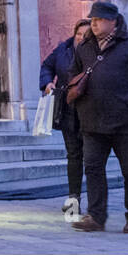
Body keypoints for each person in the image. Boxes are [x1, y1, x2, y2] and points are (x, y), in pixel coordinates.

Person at [69, 1, 128, 234]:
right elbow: (73, 75)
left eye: (99, 19)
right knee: (93, 169)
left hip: (126, 121)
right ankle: (96, 216)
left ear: (113, 21)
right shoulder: (85, 46)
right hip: (92, 120)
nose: (95, 23)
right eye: (92, 19)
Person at [40, 18, 92, 220]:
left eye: (85, 35)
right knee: (73, 156)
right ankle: (73, 200)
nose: (81, 38)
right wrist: (47, 83)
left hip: (91, 111)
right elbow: (47, 66)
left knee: (92, 158)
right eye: (79, 34)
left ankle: (95, 202)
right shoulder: (63, 49)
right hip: (68, 111)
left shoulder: (97, 53)